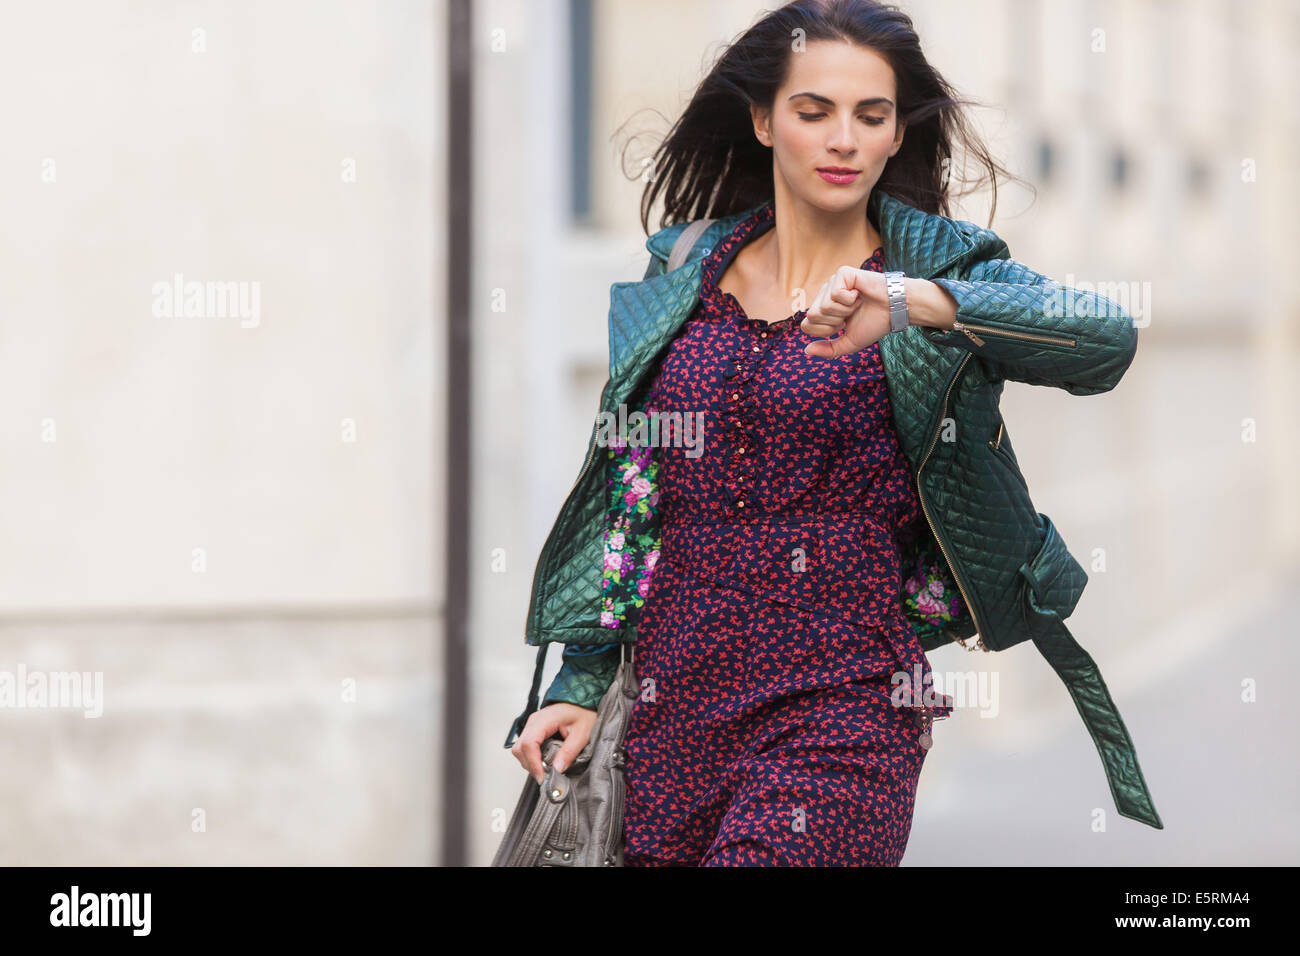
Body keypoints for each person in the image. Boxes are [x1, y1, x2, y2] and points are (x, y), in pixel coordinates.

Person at [508, 0, 1157, 865]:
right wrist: (583, 677)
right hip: (674, 705)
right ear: (764, 120)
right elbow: (635, 490)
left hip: (846, 703)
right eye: (814, 111)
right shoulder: (679, 270)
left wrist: (916, 304)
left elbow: (1104, 339)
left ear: (896, 135)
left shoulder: (938, 273)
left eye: (871, 115)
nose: (843, 138)